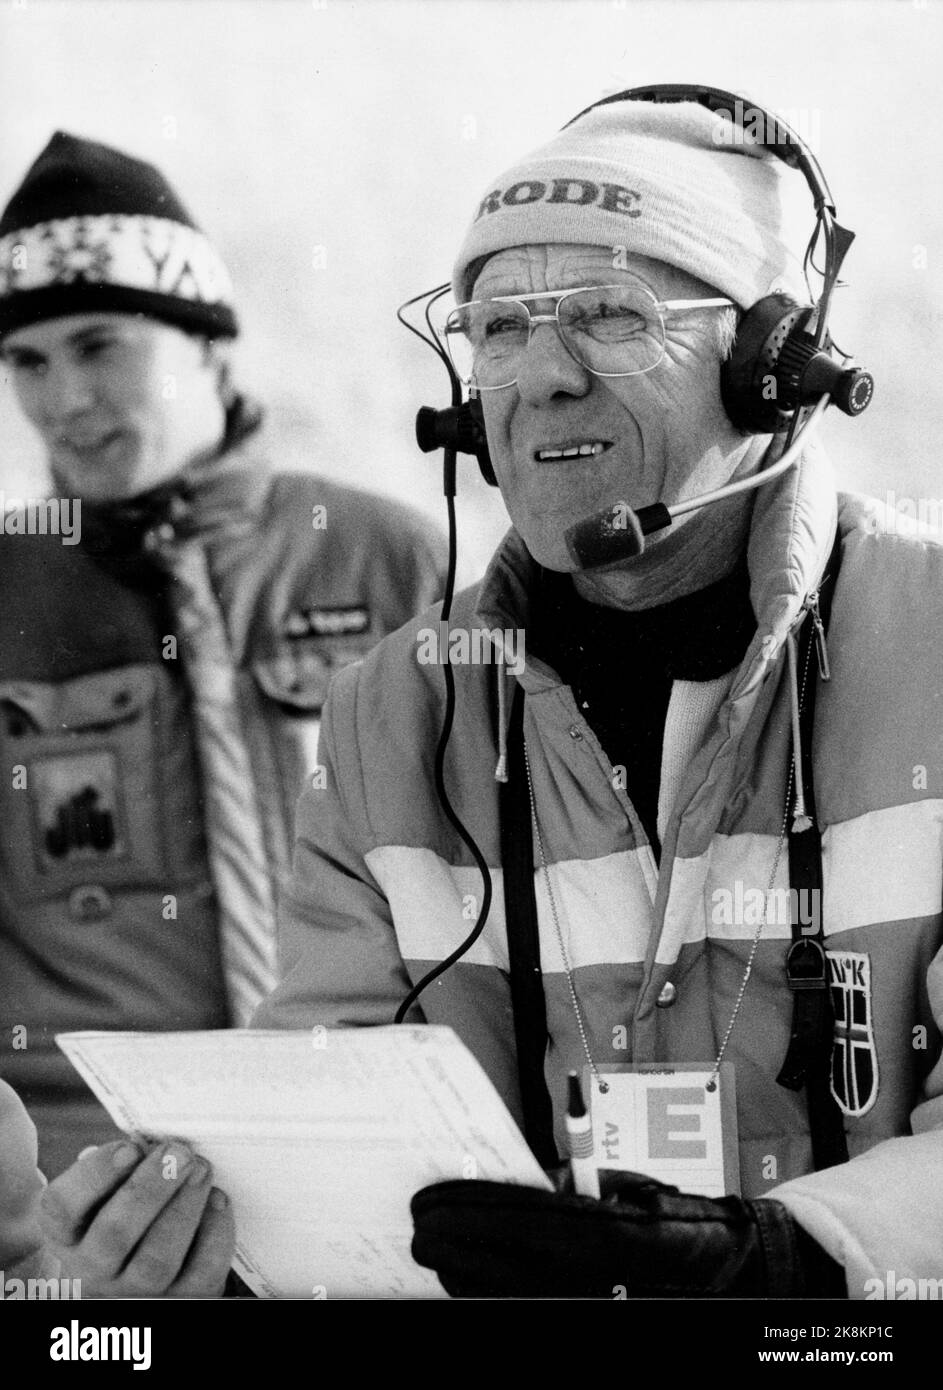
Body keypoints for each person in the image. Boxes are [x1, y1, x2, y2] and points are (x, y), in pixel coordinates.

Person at [36, 90, 943, 1302]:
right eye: (497, 327)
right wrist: (197, 1271)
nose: (540, 379)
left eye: (610, 314)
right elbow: (339, 1154)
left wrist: (790, 1261)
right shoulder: (392, 713)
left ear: (768, 365)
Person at [0, 131, 447, 1179]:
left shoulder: (387, 561)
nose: (63, 401)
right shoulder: (9, 588)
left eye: (101, 345)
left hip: (367, 1149)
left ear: (206, 342)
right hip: (85, 1179)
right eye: (27, 361)